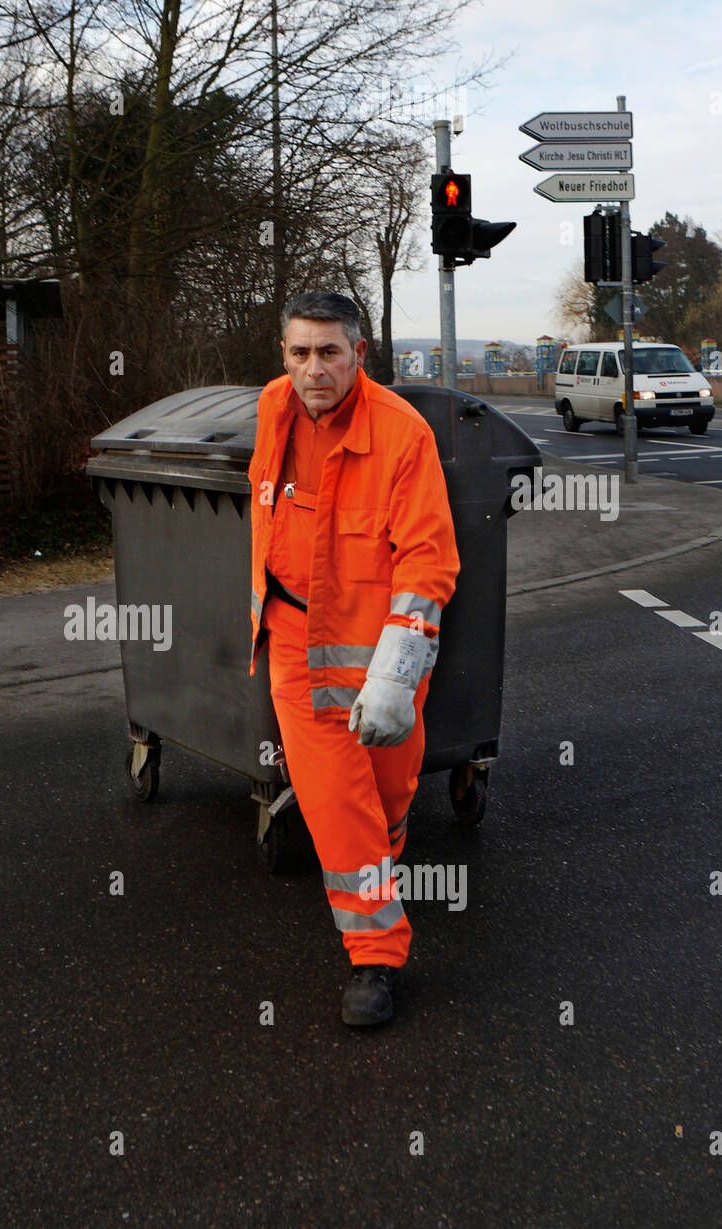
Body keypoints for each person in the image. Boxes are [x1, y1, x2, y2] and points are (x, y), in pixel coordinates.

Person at [247, 292, 460, 1026]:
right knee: (338, 801)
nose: (314, 370)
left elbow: (428, 561)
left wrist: (397, 673)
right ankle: (375, 954)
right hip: (295, 645)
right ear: (283, 356)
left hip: (381, 648)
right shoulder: (273, 409)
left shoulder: (402, 435)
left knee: (389, 790)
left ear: (359, 355)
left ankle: (380, 858)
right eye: (300, 353)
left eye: (329, 352)